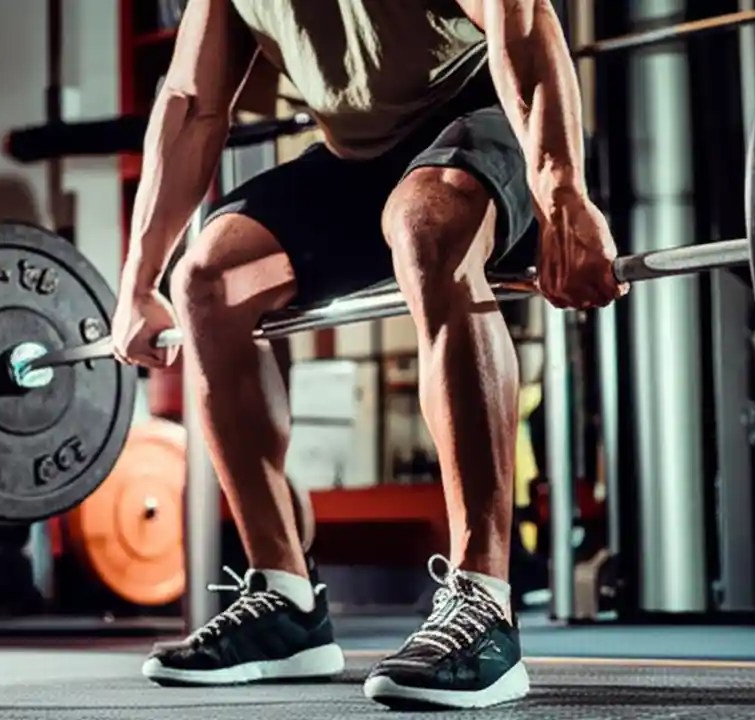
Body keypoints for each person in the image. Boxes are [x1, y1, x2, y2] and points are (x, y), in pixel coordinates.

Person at [109, 0, 625, 710]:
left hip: (485, 114)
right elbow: (192, 101)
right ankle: (285, 599)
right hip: (359, 158)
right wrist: (138, 281)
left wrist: (562, 190)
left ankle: (484, 600)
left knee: (426, 227)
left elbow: (524, 26)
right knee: (206, 282)